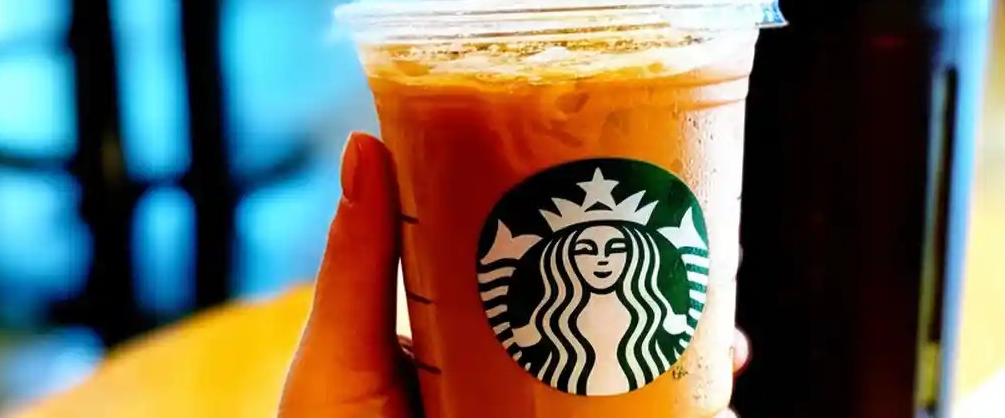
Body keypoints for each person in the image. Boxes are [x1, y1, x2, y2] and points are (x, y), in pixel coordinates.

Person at [278, 133, 748, 417]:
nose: (602, 259)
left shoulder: (652, 325)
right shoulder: (543, 325)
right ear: (561, 259)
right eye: (585, 247)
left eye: (616, 247)